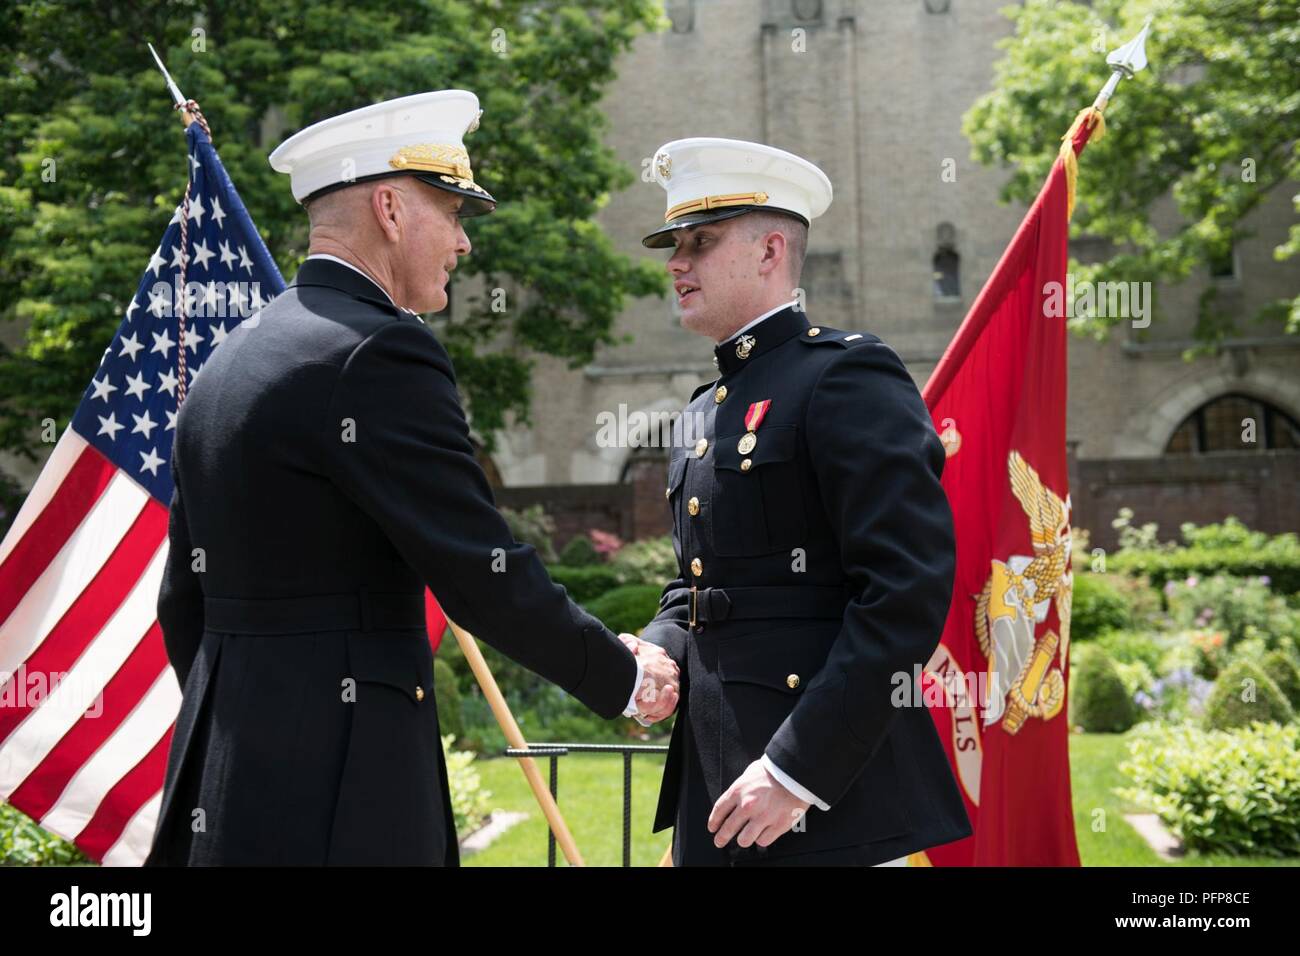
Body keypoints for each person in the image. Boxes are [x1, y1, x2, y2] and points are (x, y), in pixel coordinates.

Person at [145, 91, 677, 866]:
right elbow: (482, 568)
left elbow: (183, 600)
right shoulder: (380, 353)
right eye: (454, 214)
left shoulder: (230, 357)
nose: (463, 244)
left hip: (226, 778)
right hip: (346, 789)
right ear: (391, 209)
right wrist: (625, 677)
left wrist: (255, 717)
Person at [636, 137, 971, 866]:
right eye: (674, 244)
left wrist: (797, 770)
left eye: (701, 240)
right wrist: (658, 650)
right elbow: (703, 591)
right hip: (717, 781)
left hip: (828, 798)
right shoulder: (699, 412)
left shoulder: (847, 375)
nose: (676, 263)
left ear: (770, 251)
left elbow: (904, 591)